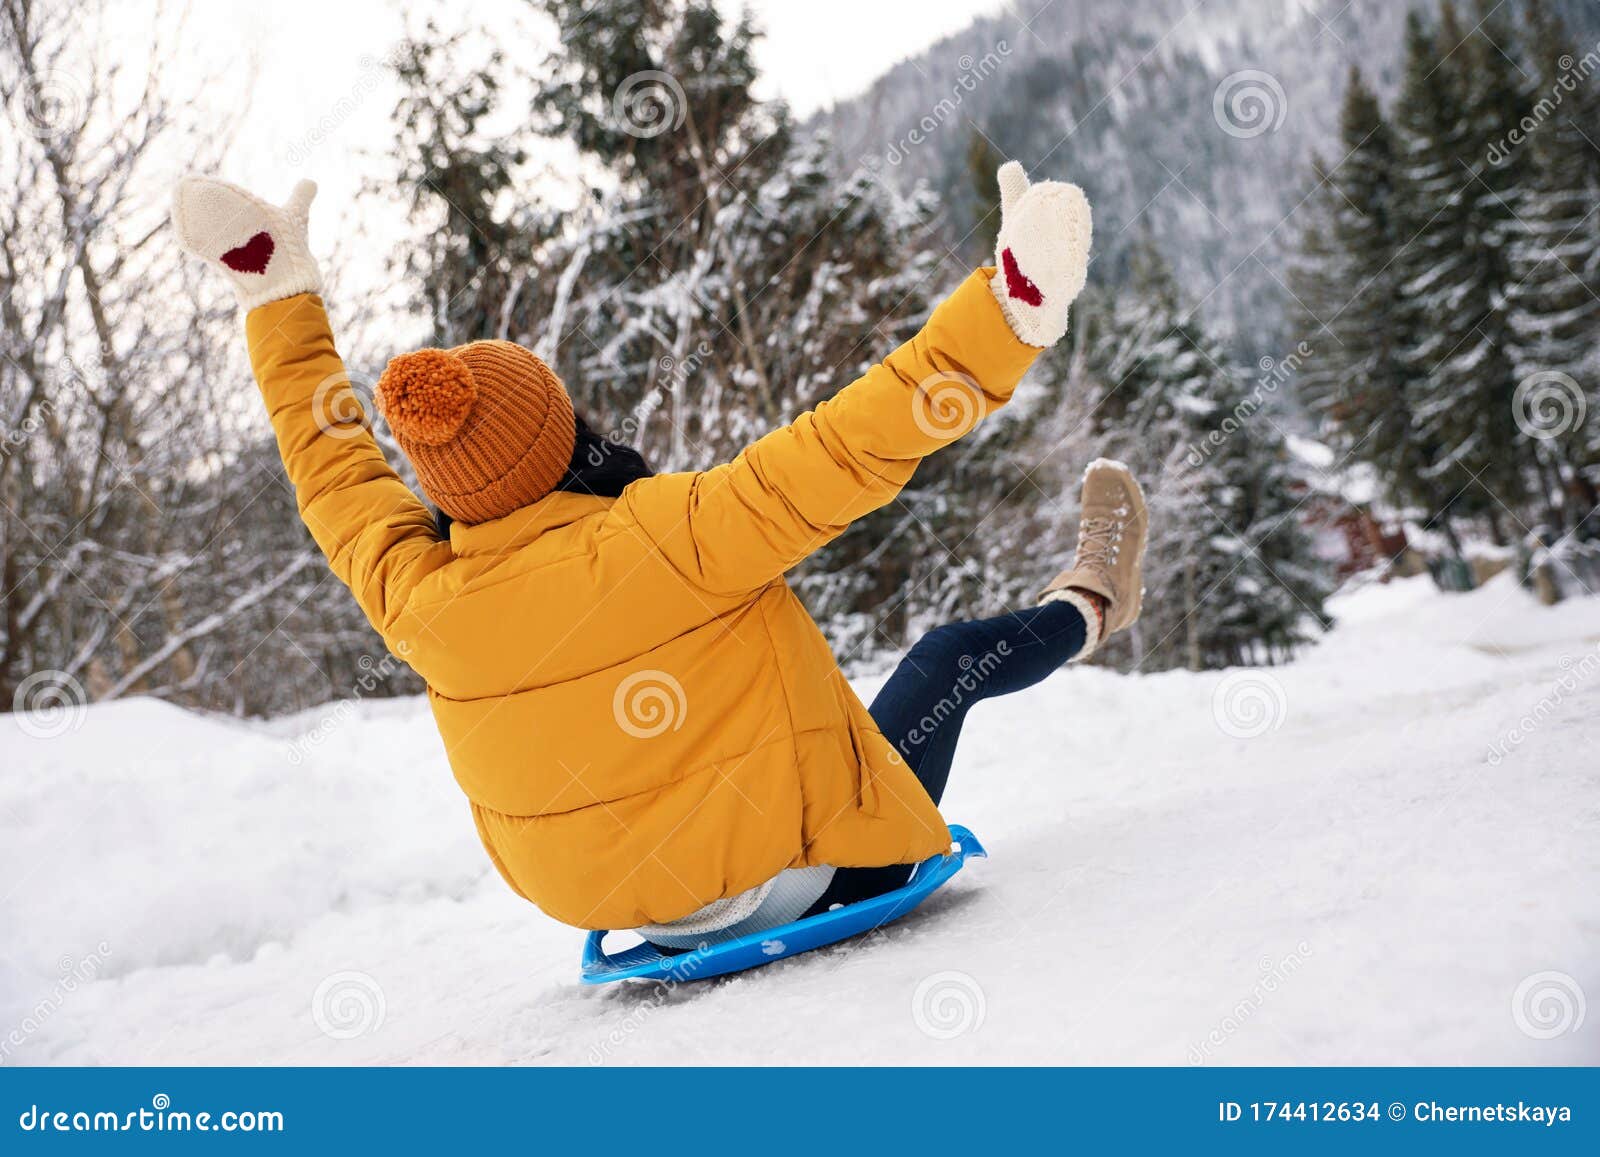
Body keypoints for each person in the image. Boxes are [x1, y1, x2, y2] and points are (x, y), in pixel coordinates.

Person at [170, 161, 1147, 949]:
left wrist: (278, 294)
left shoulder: (416, 590)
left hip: (635, 915)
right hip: (804, 876)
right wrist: (1006, 313)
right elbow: (857, 437)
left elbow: (331, 465)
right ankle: (1093, 594)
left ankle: (1083, 596)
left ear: (440, 491)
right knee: (942, 660)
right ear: (564, 435)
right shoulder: (670, 534)